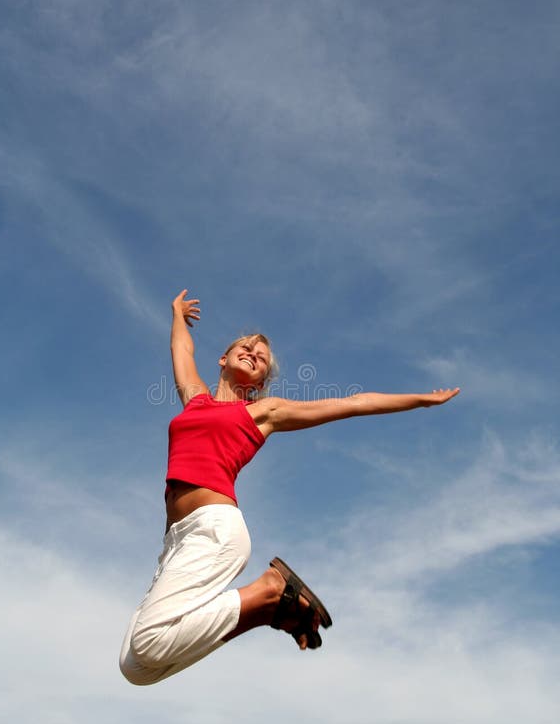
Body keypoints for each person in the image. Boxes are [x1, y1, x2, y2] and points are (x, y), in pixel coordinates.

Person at [119, 289, 460, 685]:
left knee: (148, 643)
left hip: (214, 530)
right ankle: (267, 610)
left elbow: (353, 403)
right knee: (136, 666)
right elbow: (181, 349)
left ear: (261, 379)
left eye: (261, 357)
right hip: (175, 539)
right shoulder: (195, 400)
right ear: (223, 359)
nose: (252, 352)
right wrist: (177, 313)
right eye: (245, 346)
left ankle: (268, 592)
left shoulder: (263, 412)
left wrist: (420, 400)